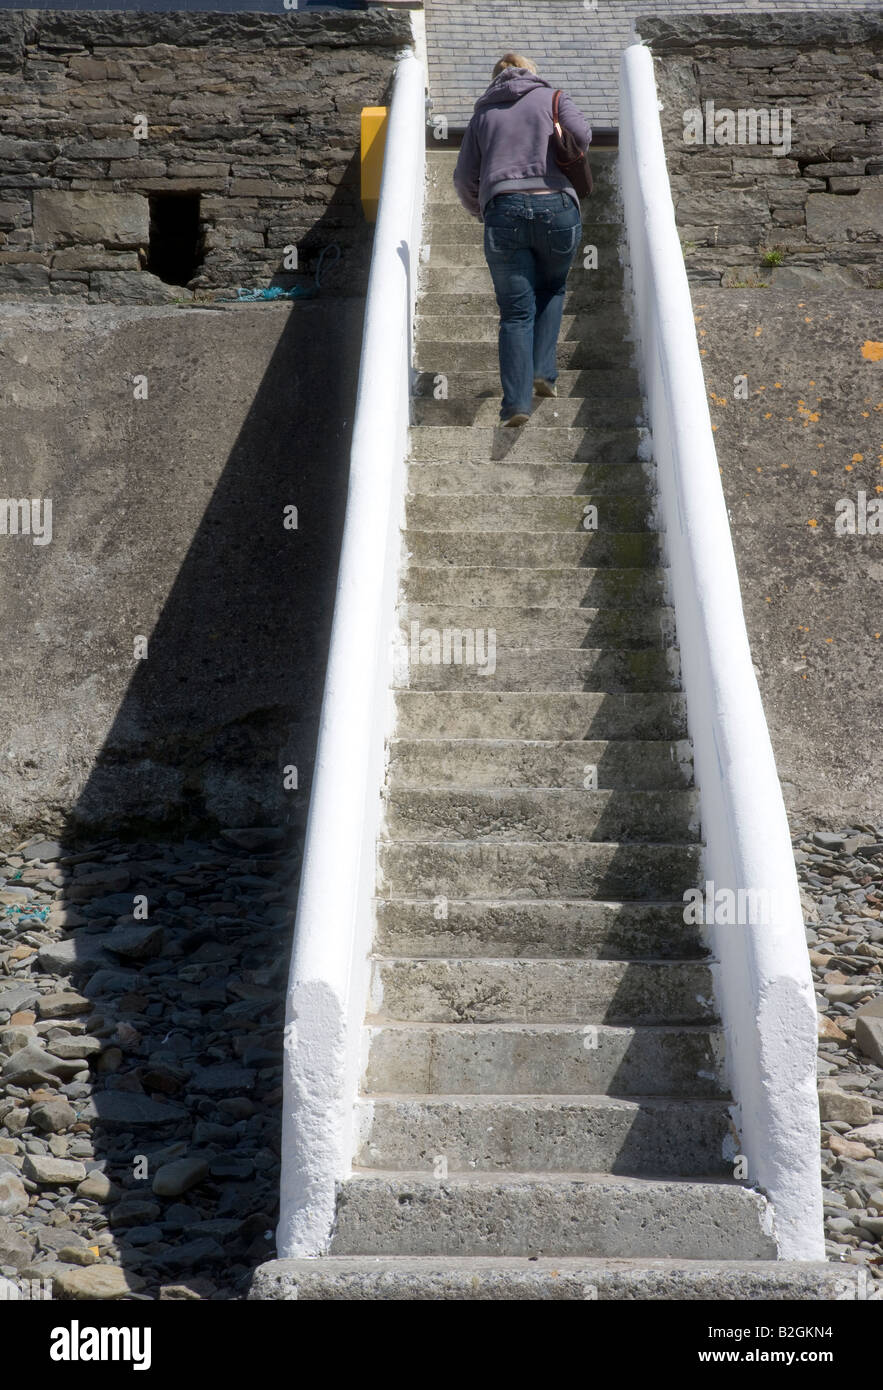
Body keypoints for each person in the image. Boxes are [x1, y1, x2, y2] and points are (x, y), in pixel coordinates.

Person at [453, 54, 592, 426]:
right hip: (557, 205)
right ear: (532, 73)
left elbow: (462, 178)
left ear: (494, 78)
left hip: (503, 212)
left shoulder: (482, 114)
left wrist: (482, 209)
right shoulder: (553, 98)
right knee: (552, 288)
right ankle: (543, 373)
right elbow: (582, 136)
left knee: (515, 313)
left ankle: (516, 405)